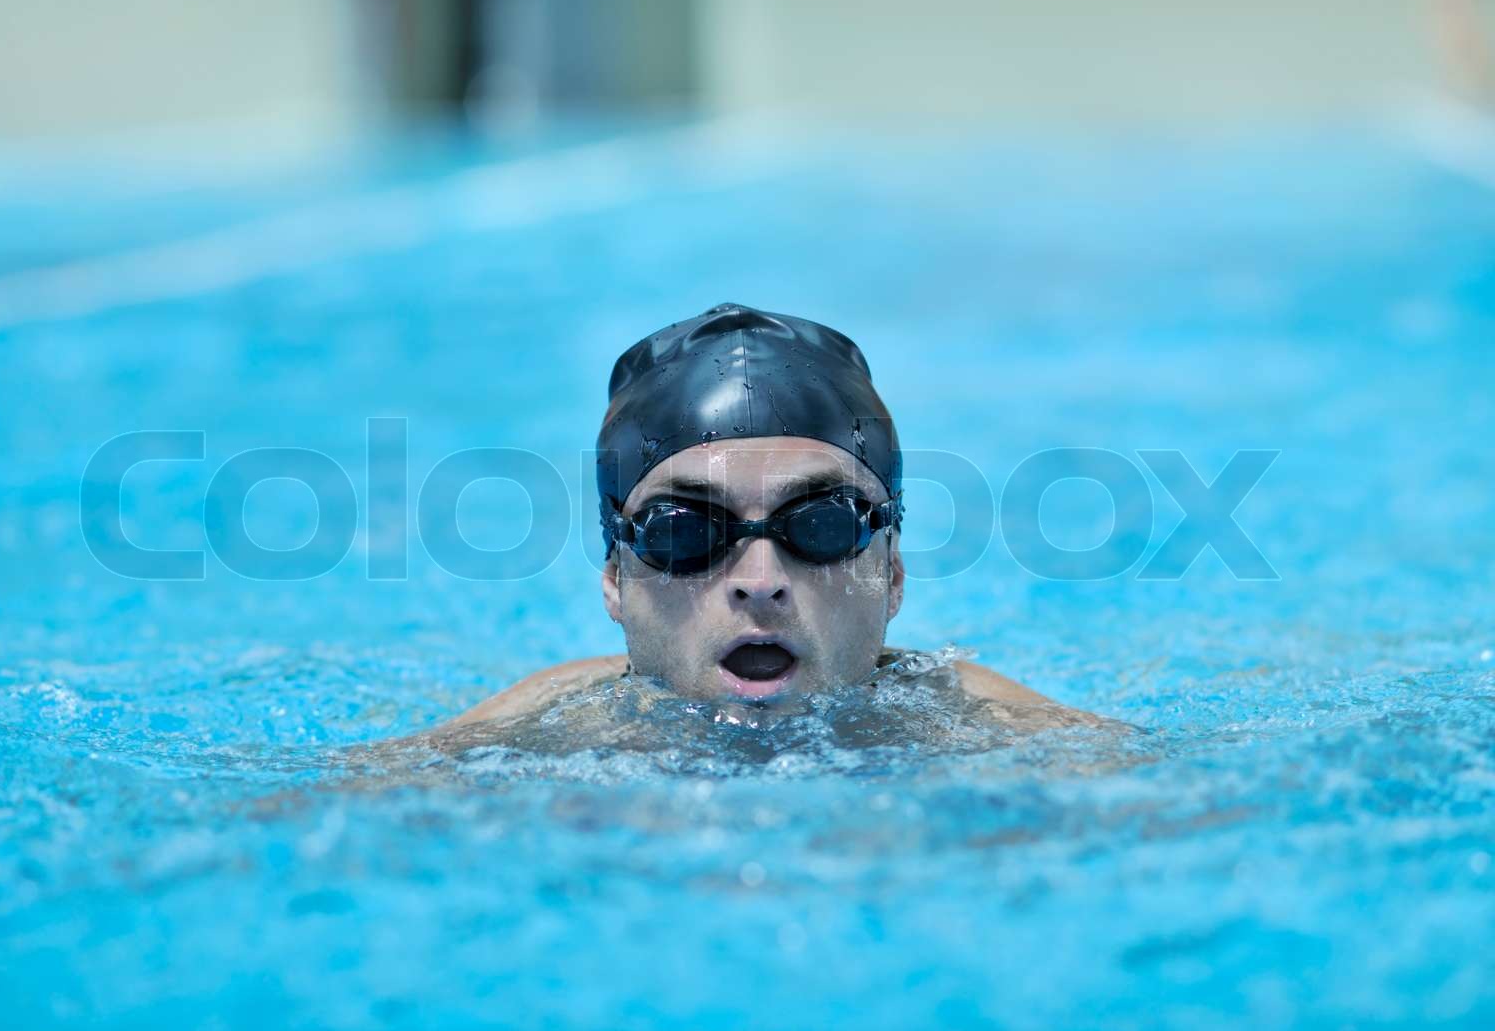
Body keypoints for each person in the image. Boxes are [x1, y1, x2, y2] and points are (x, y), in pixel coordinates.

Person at [402, 303, 1102, 756]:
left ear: (891, 574)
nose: (760, 582)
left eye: (823, 524)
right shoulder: (515, 748)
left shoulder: (1021, 748)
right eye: (683, 530)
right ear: (615, 577)